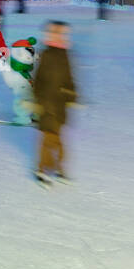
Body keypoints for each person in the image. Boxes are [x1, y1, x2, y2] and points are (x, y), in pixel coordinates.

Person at [31, 20, 78, 185]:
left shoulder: (64, 54)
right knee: (49, 138)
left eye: (61, 33)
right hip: (47, 102)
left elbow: (69, 76)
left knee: (56, 138)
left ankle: (56, 168)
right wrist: (39, 100)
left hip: (60, 103)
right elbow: (38, 79)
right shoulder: (47, 54)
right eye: (56, 33)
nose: (59, 36)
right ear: (51, 35)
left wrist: (72, 93)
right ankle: (43, 169)